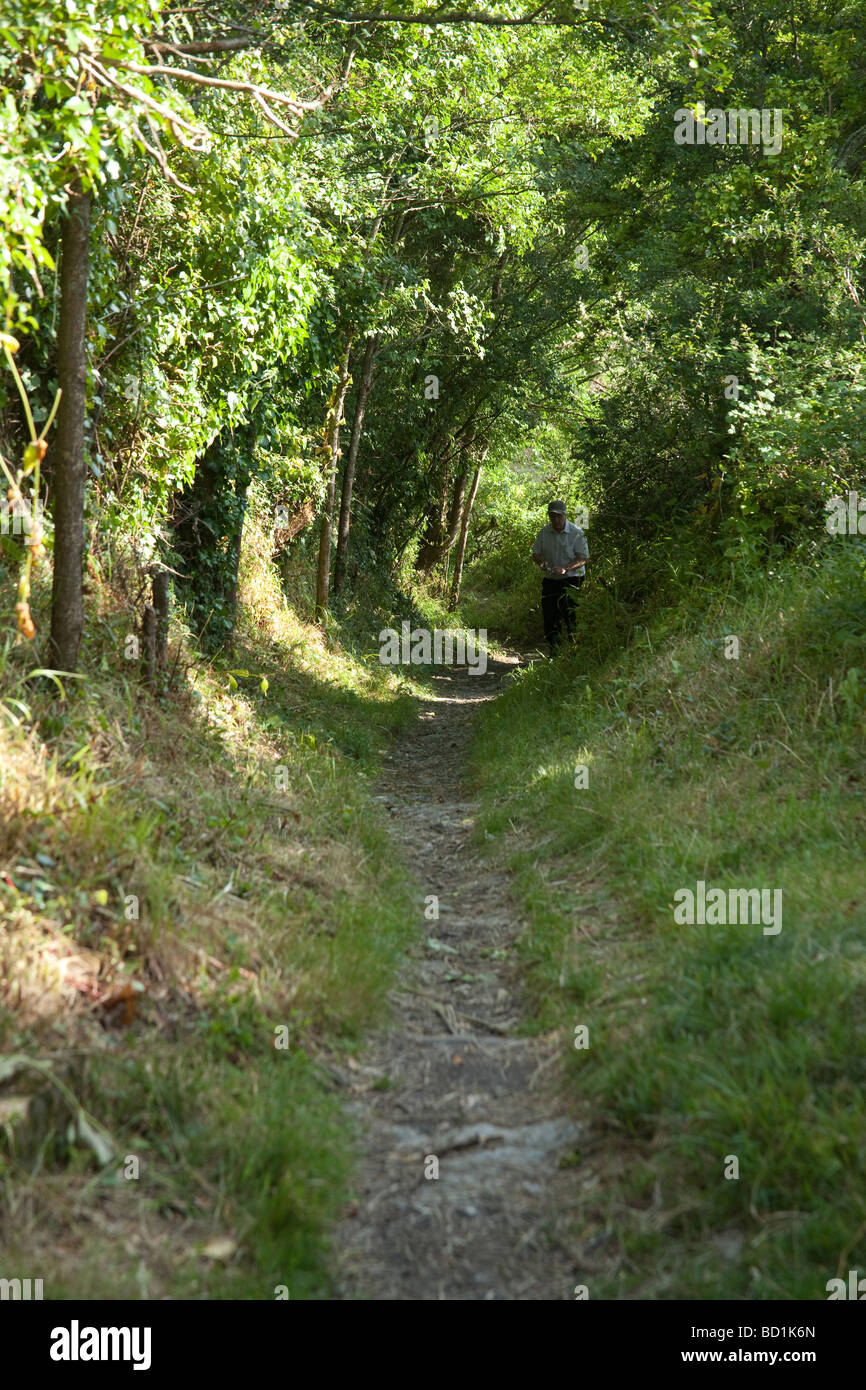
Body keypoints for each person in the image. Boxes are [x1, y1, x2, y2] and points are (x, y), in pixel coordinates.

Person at [531, 500, 589, 653]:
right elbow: (535, 553)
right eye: (552, 516)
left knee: (571, 615)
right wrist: (541, 562)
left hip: (572, 580)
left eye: (559, 516)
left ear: (565, 515)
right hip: (551, 580)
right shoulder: (544, 533)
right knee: (550, 616)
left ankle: (573, 650)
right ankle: (554, 651)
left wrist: (566, 568)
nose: (556, 520)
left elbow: (584, 558)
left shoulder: (577, 533)